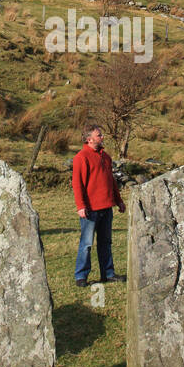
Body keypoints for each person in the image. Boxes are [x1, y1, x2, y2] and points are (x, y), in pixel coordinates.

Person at [71, 123, 126, 287]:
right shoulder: (81, 157)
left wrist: (119, 201)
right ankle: (81, 276)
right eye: (99, 135)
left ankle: (108, 274)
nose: (102, 137)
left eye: (101, 135)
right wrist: (81, 206)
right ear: (89, 139)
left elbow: (111, 181)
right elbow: (77, 183)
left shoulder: (106, 157)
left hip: (106, 207)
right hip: (90, 210)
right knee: (86, 244)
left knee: (106, 242)